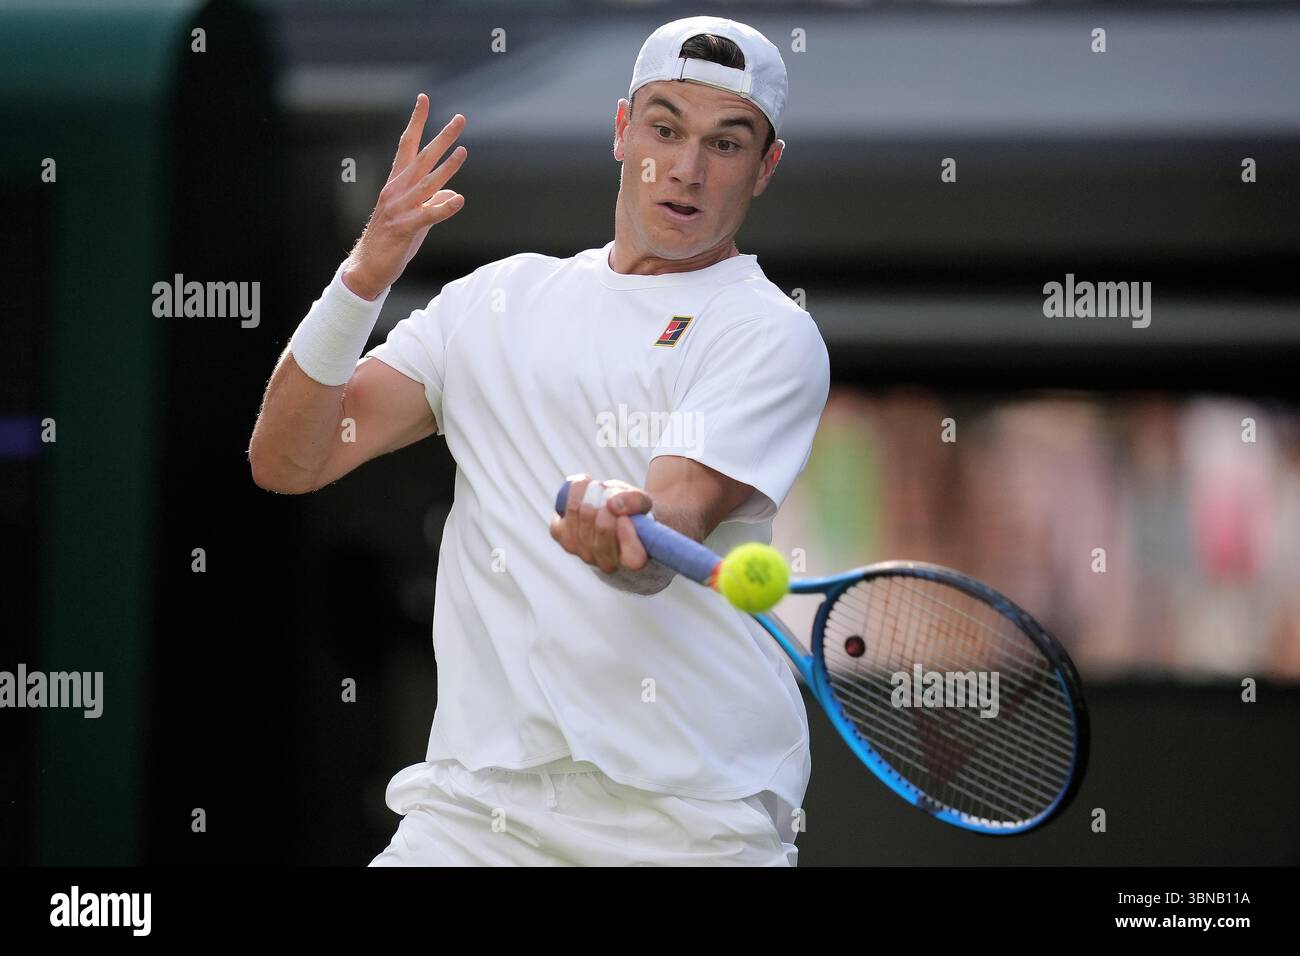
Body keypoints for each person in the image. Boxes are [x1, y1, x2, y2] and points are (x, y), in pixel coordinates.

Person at [248, 15, 829, 866]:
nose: (687, 168)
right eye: (665, 128)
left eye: (727, 144)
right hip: (473, 815)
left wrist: (625, 532)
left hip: (689, 825)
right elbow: (288, 459)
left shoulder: (767, 333)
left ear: (765, 169)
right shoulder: (495, 301)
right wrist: (364, 275)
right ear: (623, 130)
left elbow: (675, 516)